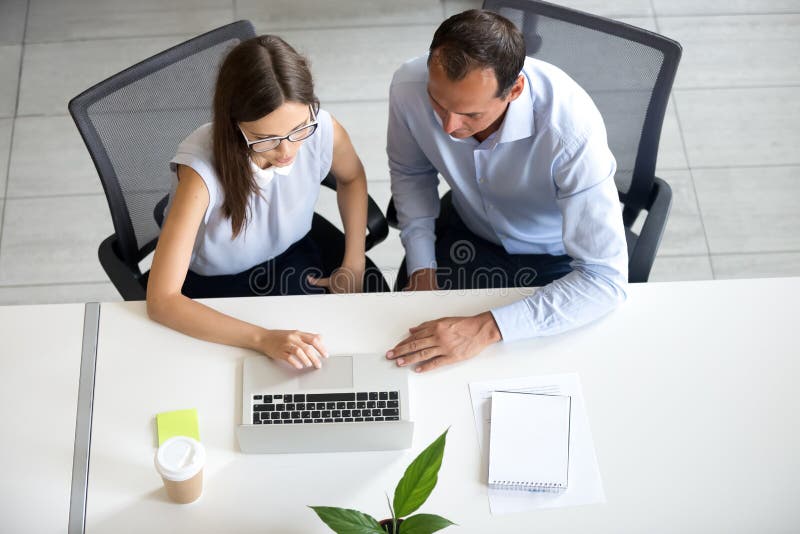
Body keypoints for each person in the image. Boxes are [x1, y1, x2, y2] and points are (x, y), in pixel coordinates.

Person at [385, 10, 628, 372]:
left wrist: (485, 328)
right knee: (410, 352)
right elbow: (411, 173)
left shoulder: (571, 130)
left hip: (553, 255)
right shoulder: (408, 86)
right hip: (467, 229)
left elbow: (605, 280)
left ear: (514, 91)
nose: (449, 127)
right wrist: (422, 266)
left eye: (471, 115)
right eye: (439, 104)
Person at [147, 35, 374, 371]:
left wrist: (353, 263)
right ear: (233, 125)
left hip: (290, 256)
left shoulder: (322, 128)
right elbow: (162, 301)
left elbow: (352, 178)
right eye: (266, 139)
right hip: (219, 286)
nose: (286, 152)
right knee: (234, 376)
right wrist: (262, 338)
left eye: (298, 130)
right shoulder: (200, 172)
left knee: (327, 357)